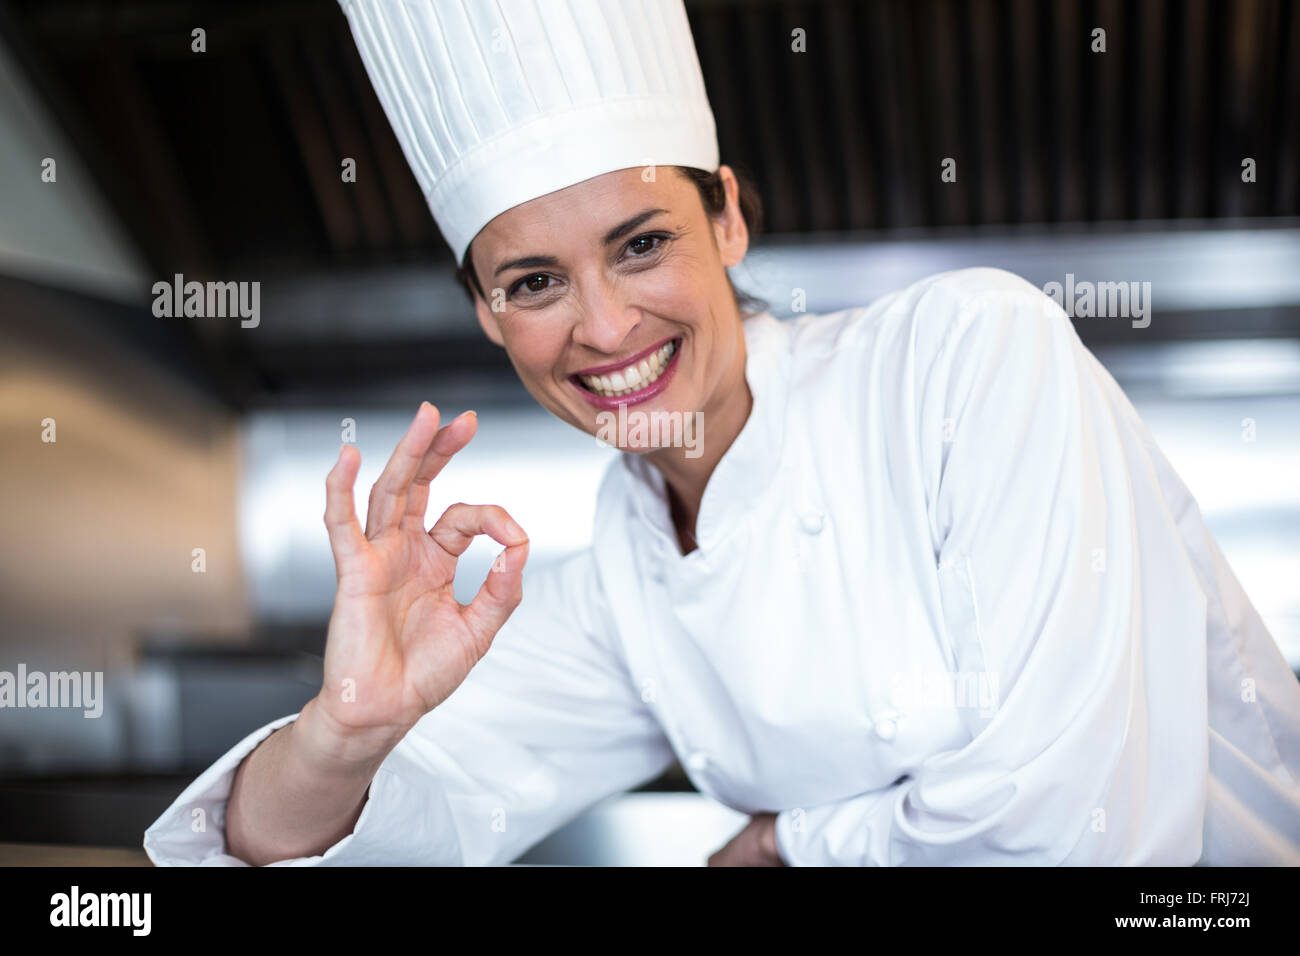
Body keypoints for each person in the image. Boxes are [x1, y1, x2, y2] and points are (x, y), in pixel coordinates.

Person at [143, 0, 1300, 866]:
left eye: (641, 243)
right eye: (536, 280)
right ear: (488, 317)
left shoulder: (966, 357)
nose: (603, 325)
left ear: (728, 217)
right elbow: (387, 834)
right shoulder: (622, 584)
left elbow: (1085, 827)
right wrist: (346, 727)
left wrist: (795, 842)